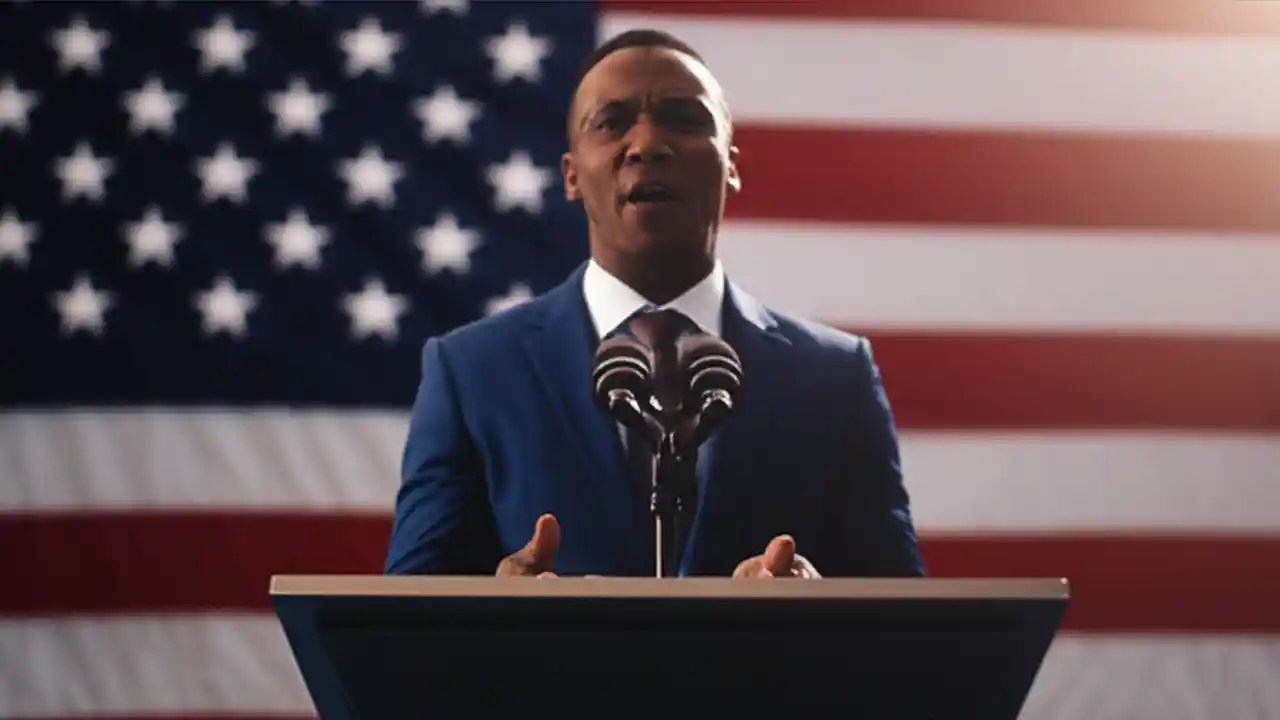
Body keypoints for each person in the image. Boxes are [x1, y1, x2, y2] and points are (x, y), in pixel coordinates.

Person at [384, 29, 924, 580]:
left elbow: (909, 631)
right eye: (612, 122)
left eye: (684, 119)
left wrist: (815, 604)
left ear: (731, 166)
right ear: (571, 176)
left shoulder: (836, 376)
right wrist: (499, 615)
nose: (646, 145)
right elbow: (400, 628)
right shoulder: (470, 371)